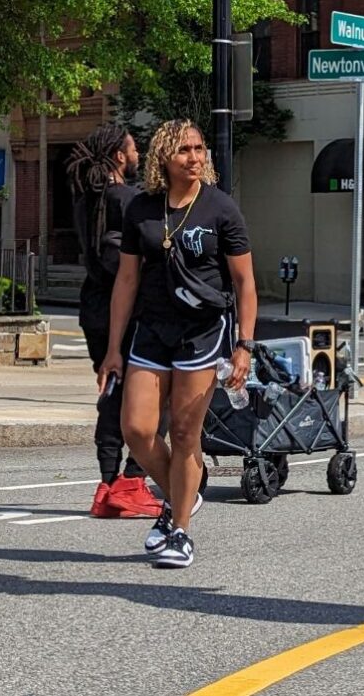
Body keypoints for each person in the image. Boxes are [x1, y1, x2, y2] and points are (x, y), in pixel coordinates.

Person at [98, 120, 258, 569]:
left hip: (202, 334)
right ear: (164, 158)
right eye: (185, 150)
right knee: (138, 430)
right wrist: (113, 348)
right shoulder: (142, 209)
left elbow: (245, 282)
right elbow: (126, 280)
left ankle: (180, 529)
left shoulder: (221, 209)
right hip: (150, 331)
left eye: (200, 148)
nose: (195, 157)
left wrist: (244, 344)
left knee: (186, 433)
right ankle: (180, 494)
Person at [66, 124, 163, 520]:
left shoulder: (84, 199)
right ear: (120, 156)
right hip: (131, 310)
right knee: (154, 397)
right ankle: (133, 481)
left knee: (111, 393)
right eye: (134, 148)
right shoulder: (129, 200)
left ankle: (107, 484)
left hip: (94, 308)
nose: (138, 154)